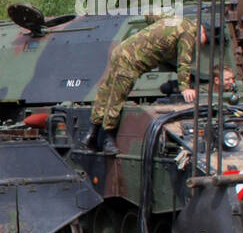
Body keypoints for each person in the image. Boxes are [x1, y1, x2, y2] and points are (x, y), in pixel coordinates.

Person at [85, 16, 208, 154]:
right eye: (203, 42)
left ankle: (91, 134)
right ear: (203, 32)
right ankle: (108, 139)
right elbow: (184, 62)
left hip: (121, 51)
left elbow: (151, 15)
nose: (200, 46)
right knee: (117, 99)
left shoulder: (177, 19)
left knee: (106, 92)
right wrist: (185, 88)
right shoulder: (190, 32)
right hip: (132, 61)